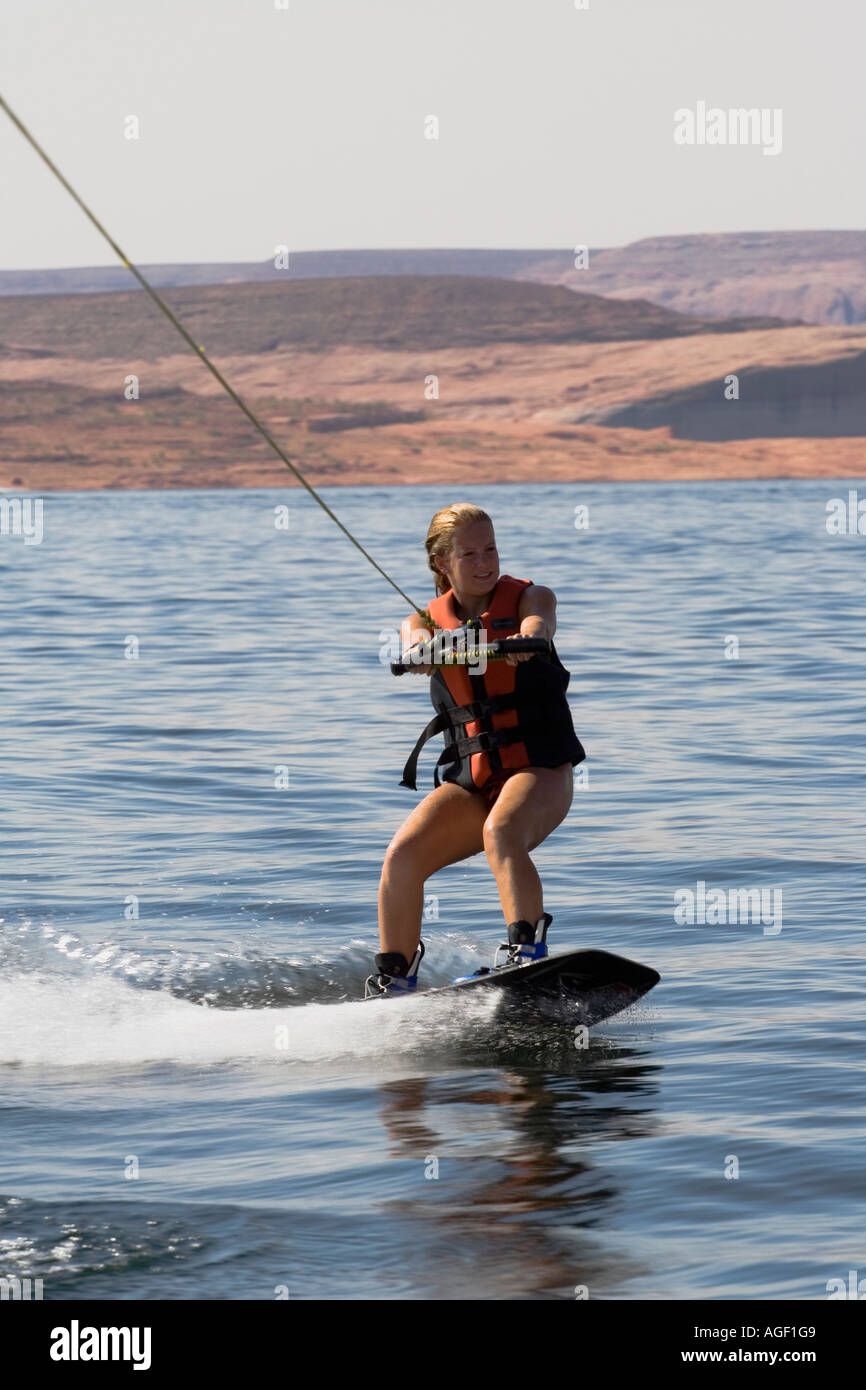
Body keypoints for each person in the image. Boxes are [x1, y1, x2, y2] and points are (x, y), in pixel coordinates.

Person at [365, 503, 586, 998]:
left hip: (539, 769)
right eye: (469, 554)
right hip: (474, 779)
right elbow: (412, 643)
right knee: (402, 856)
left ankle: (526, 953)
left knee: (501, 831)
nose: (485, 562)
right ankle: (394, 981)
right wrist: (422, 653)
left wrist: (527, 640)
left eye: (491, 549)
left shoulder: (531, 597)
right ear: (441, 562)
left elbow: (540, 624)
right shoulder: (423, 619)